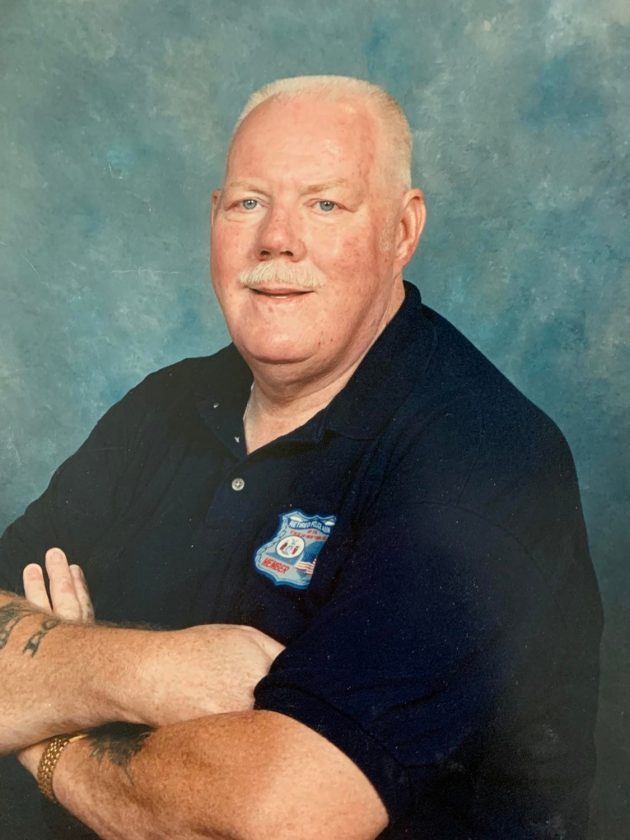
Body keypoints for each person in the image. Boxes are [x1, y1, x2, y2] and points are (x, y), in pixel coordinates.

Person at [0, 75, 602, 839]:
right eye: (249, 202)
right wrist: (149, 673)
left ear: (402, 231)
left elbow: (276, 815)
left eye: (325, 204)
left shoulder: (486, 458)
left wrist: (47, 735)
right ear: (214, 217)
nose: (276, 239)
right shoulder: (160, 409)